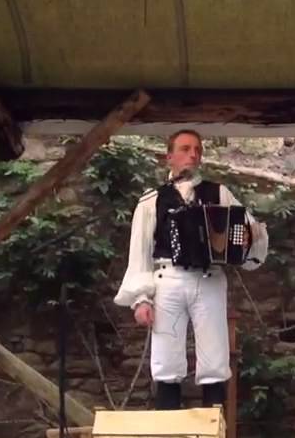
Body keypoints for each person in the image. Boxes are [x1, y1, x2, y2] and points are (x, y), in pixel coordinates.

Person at [114, 129, 269, 410]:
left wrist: (250, 236)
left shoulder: (219, 193)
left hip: (209, 279)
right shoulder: (151, 200)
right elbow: (139, 252)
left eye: (197, 149)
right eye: (185, 149)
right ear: (169, 157)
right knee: (166, 359)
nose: (193, 154)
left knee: (215, 358)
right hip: (166, 280)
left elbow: (248, 228)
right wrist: (141, 299)